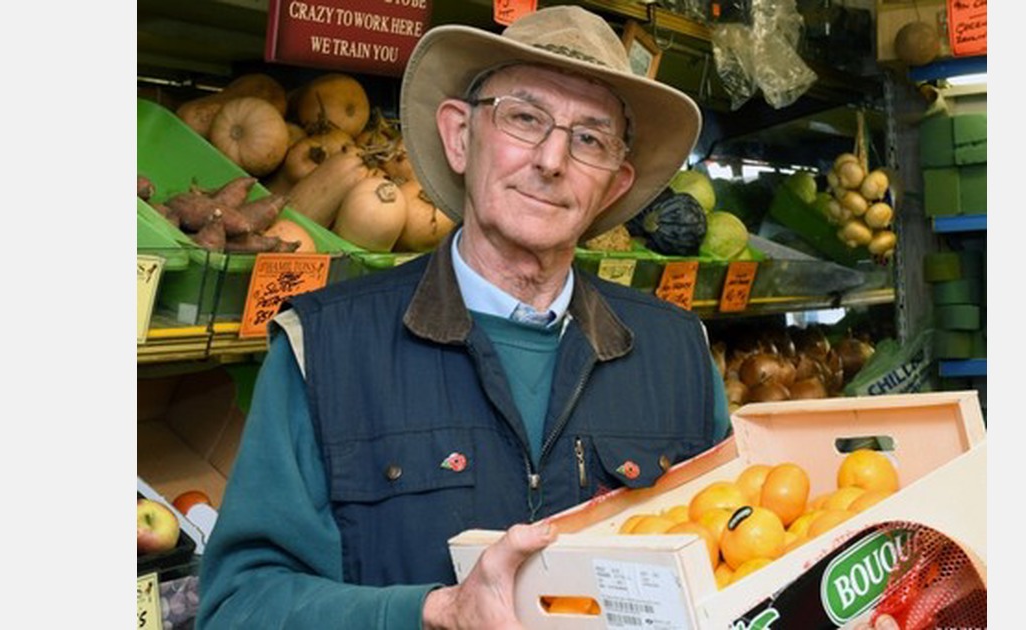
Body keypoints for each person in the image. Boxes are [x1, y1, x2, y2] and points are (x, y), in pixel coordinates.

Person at [196, 6, 732, 629]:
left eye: (590, 139)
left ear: (615, 184)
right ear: (459, 136)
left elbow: (741, 561)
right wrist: (433, 611)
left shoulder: (677, 354)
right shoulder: (325, 346)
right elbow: (241, 606)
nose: (552, 159)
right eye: (525, 118)